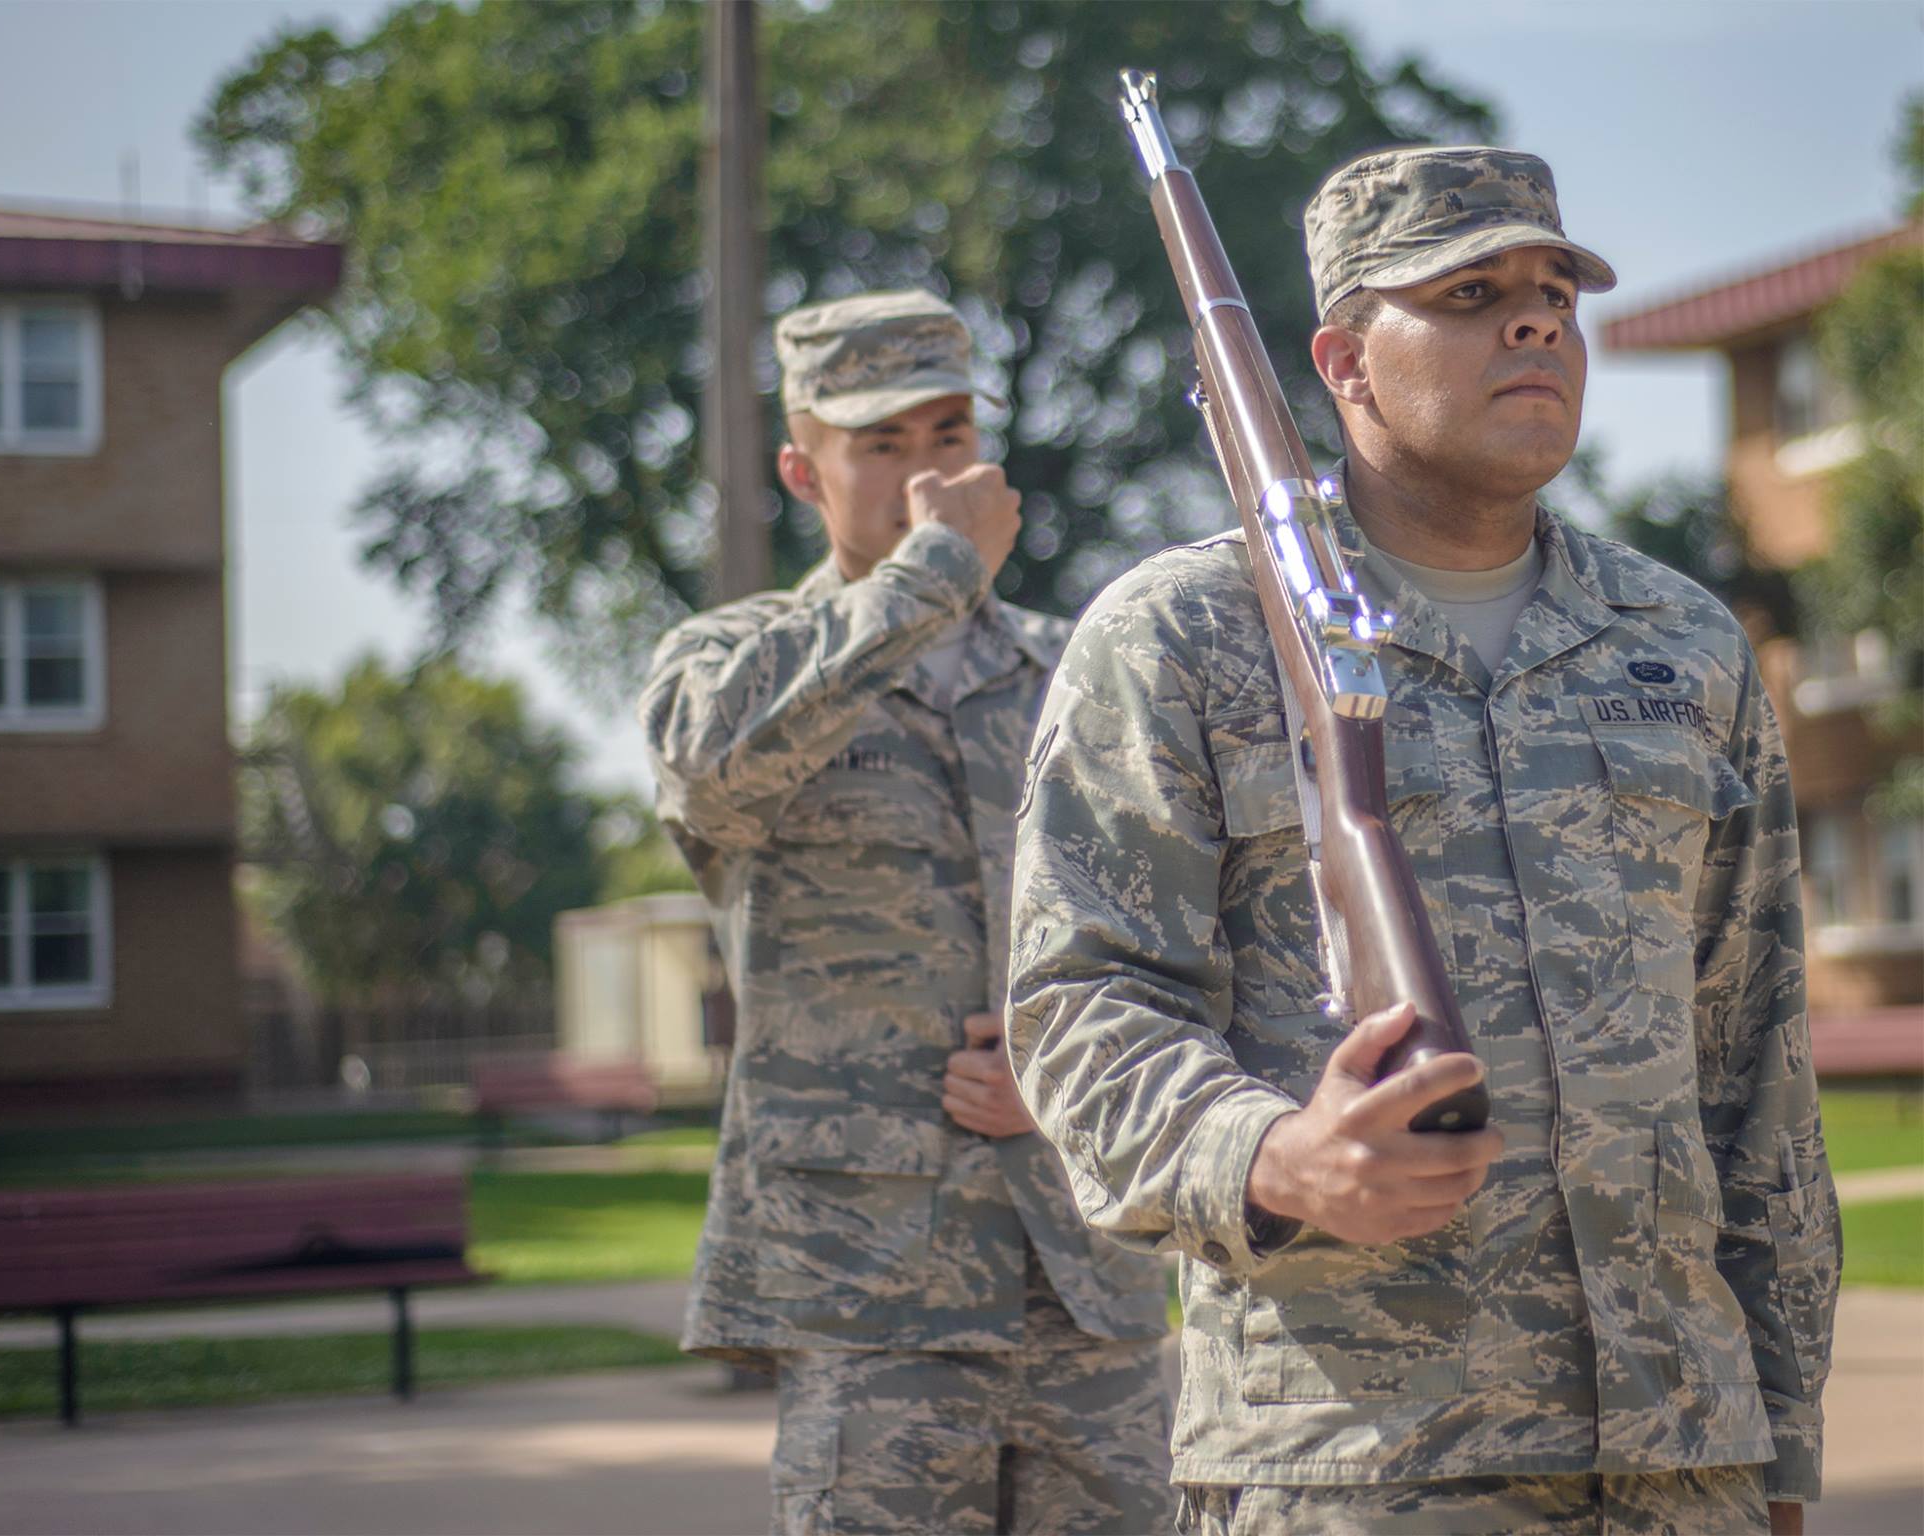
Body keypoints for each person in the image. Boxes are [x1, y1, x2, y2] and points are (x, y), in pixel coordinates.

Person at [1006, 146, 1839, 1536]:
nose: (1534, 325)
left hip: (1682, 1461)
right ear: (1344, 361)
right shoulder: (1182, 638)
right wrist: (1272, 1155)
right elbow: (1081, 1001)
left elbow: (1757, 1072)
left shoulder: (1681, 643)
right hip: (1357, 1464)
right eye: (1469, 295)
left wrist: (1780, 1448)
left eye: (1553, 294)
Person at [638, 288, 1173, 1536]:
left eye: (948, 436)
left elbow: (1177, 928)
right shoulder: (730, 660)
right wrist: (931, 575)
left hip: (1084, 1271)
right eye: (879, 444)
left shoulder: (1074, 673)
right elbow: (712, 776)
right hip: (868, 1285)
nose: (927, 478)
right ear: (801, 470)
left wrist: (1063, 1077)